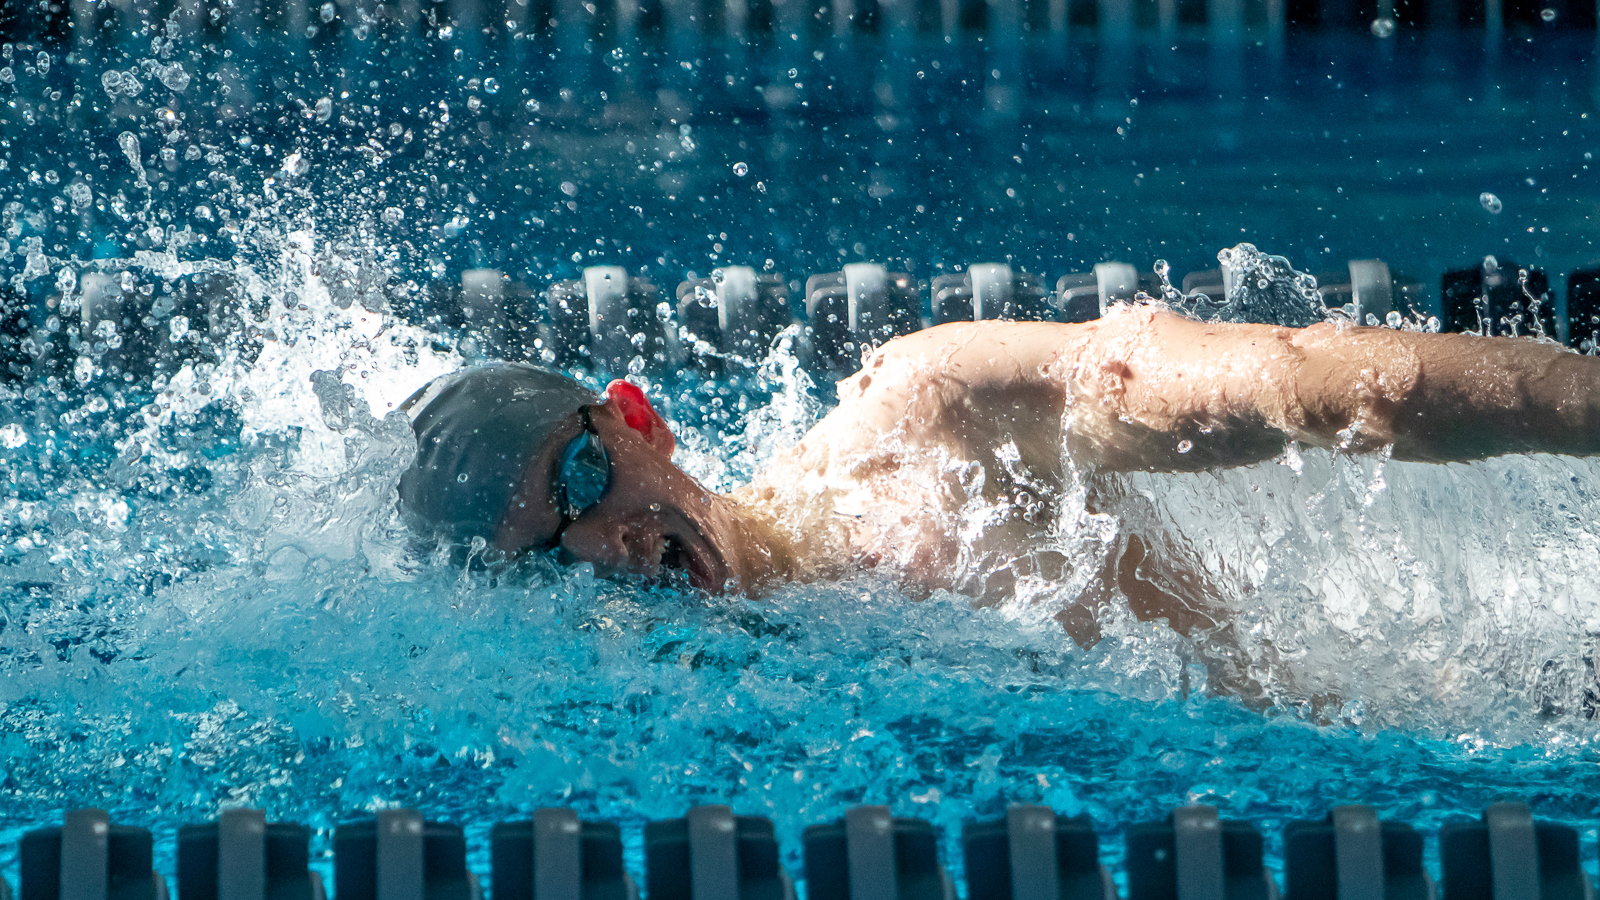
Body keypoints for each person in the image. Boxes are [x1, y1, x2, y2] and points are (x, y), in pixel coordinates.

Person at [397, 303, 1600, 651]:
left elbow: (1312, 384)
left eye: (585, 472)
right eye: (548, 554)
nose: (605, 543)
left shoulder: (925, 417)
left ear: (640, 419)